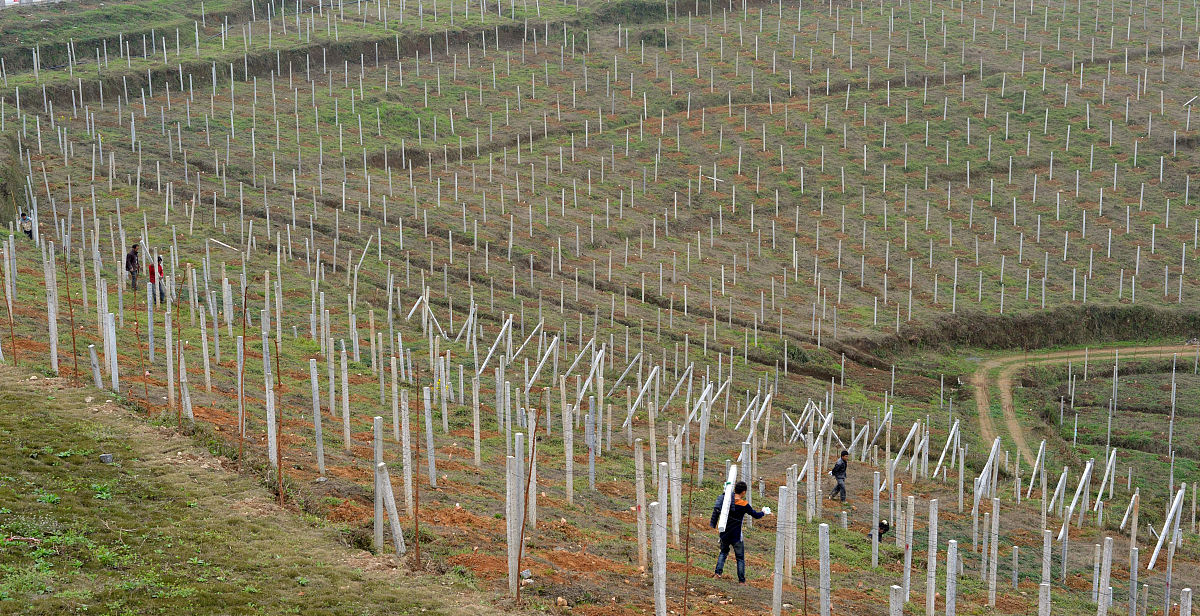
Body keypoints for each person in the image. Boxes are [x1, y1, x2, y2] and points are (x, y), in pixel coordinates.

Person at [709, 481, 769, 583]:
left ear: (734, 489)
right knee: (740, 558)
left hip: (725, 533)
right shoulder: (744, 504)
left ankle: (717, 573)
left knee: (723, 553)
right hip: (736, 535)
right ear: (744, 492)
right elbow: (755, 515)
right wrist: (763, 512)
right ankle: (741, 580)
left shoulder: (726, 501)